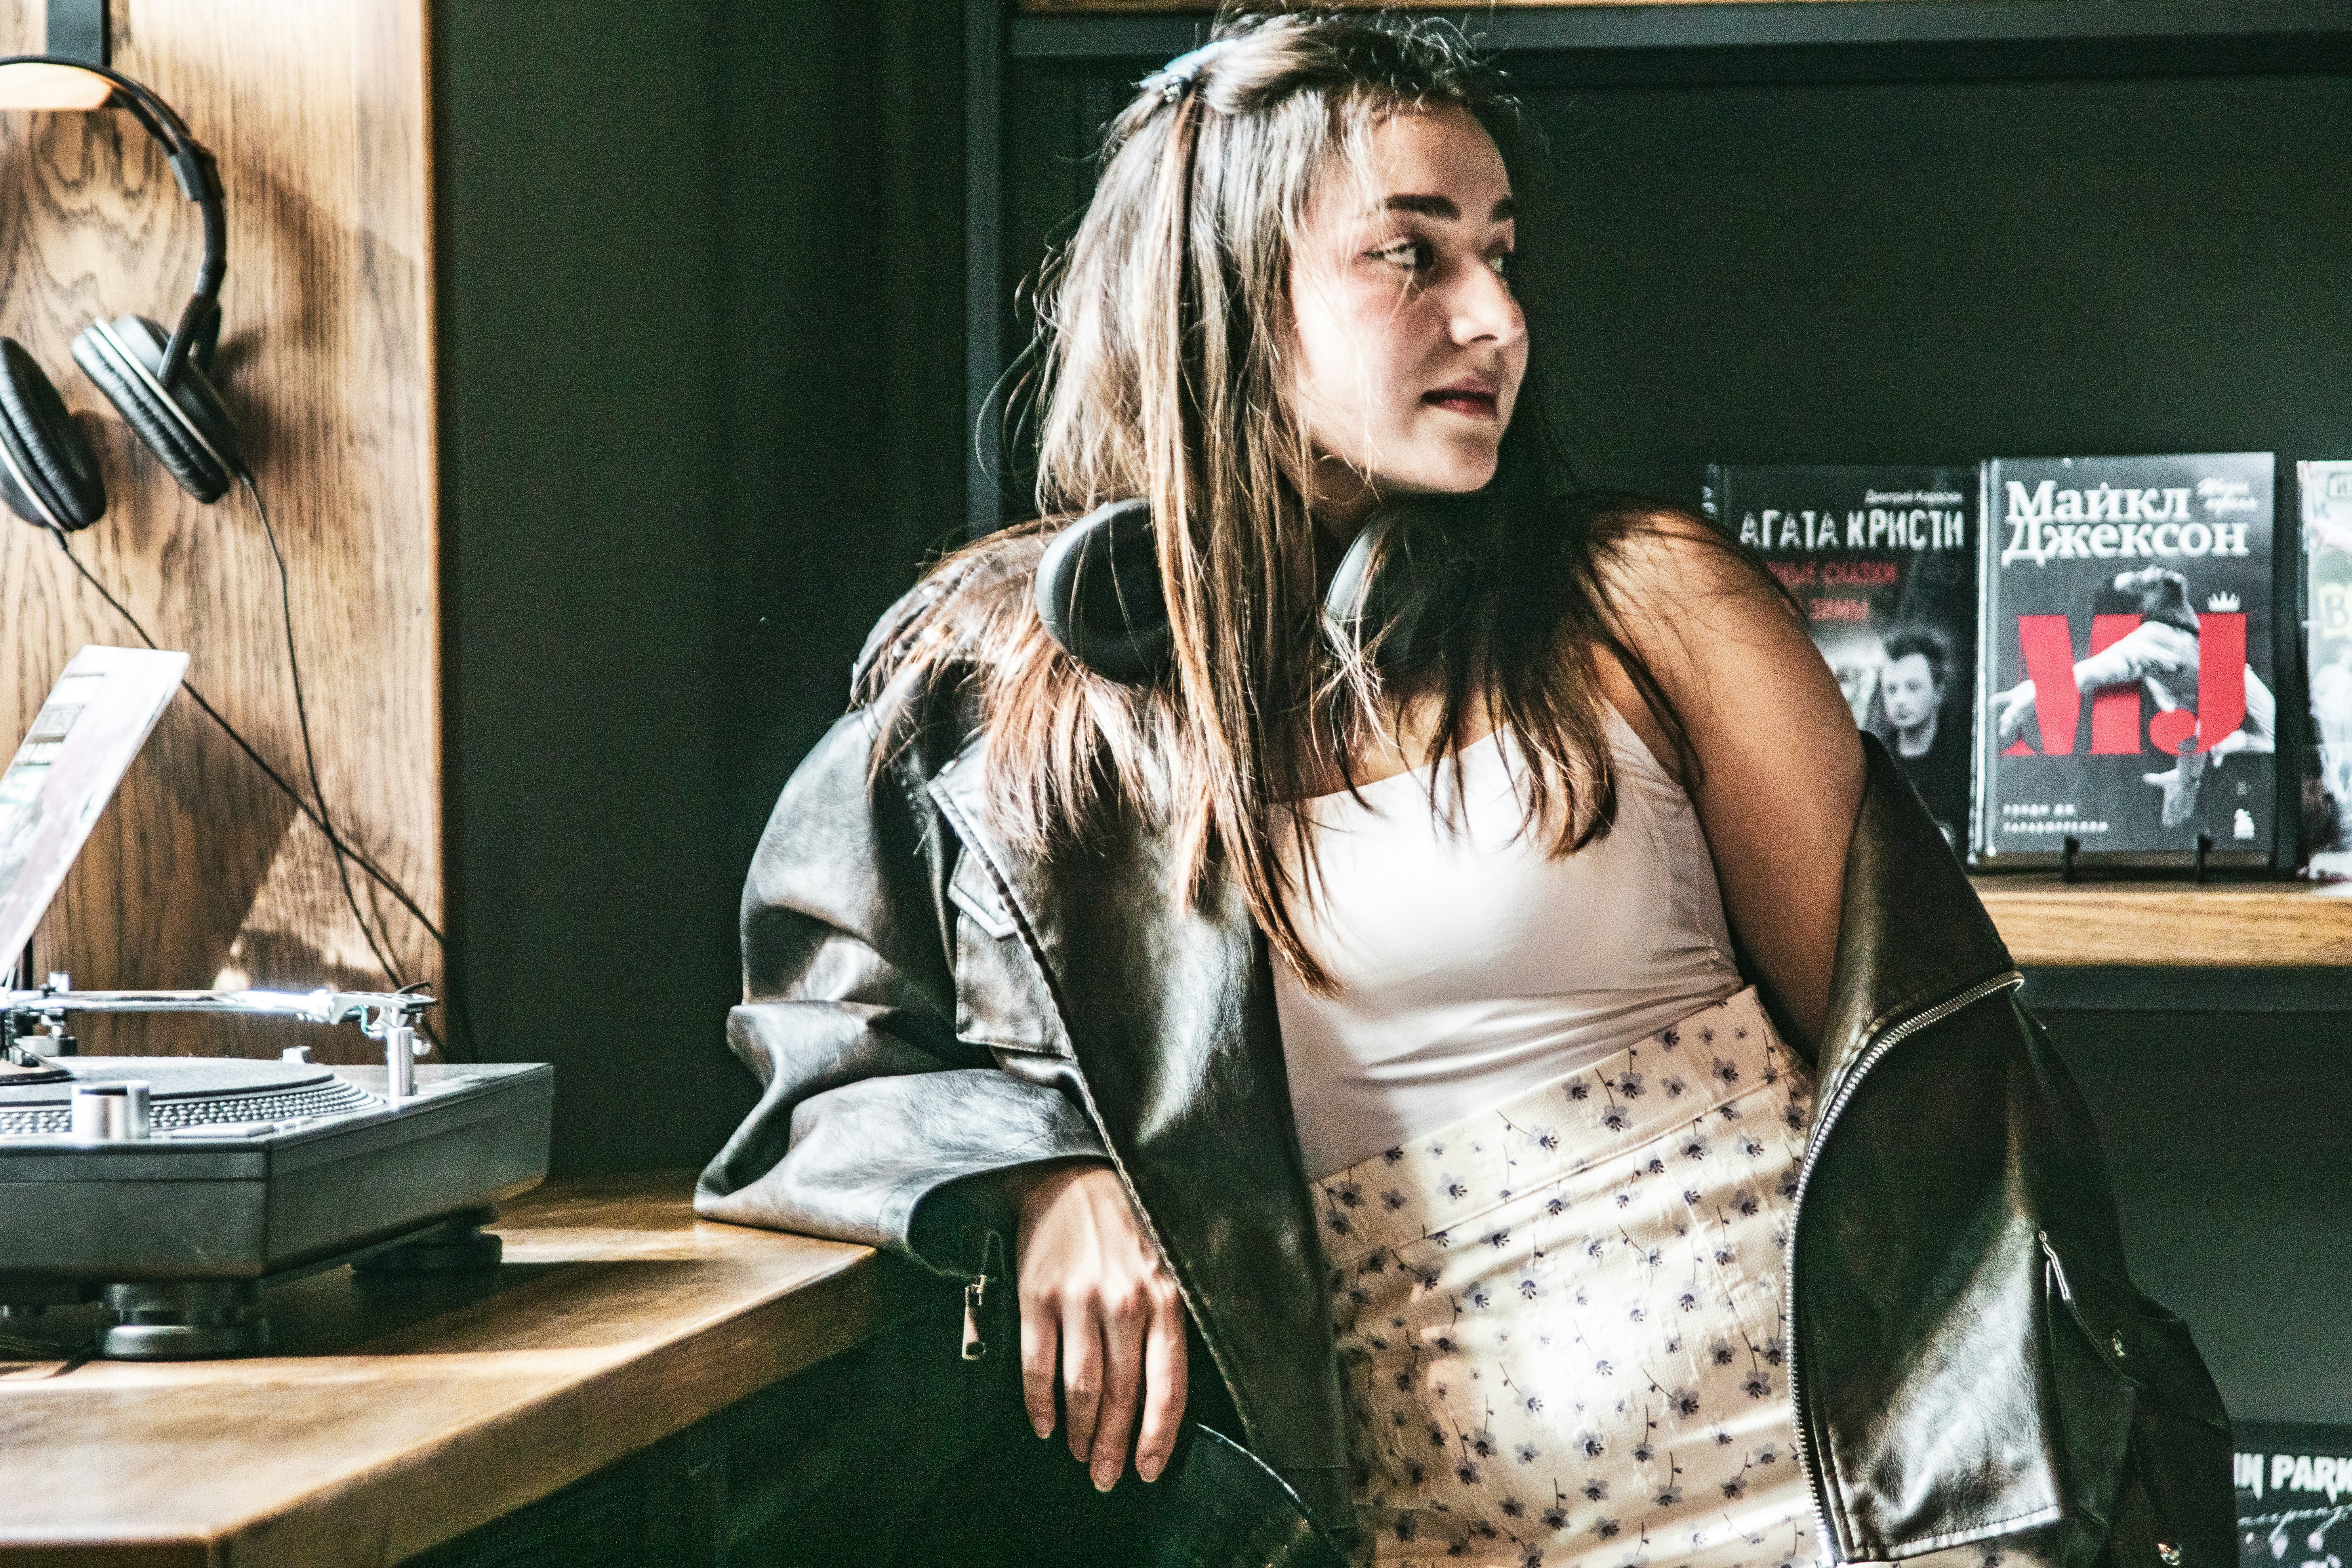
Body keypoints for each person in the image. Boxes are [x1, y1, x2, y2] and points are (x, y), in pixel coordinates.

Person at [698, 14, 2228, 1567]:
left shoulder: (1647, 603)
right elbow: (822, 1039)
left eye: (1499, 251)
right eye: (1410, 256)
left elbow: (1945, 1093)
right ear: (1221, 291)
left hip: (1860, 1515)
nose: (1494, 315)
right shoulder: (1012, 708)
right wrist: (1033, 1166)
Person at [1874, 624, 1969, 840]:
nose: (1900, 701)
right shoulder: (1876, 767)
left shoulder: (1962, 764)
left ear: (1939, 692)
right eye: (1891, 689)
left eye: (1913, 687)